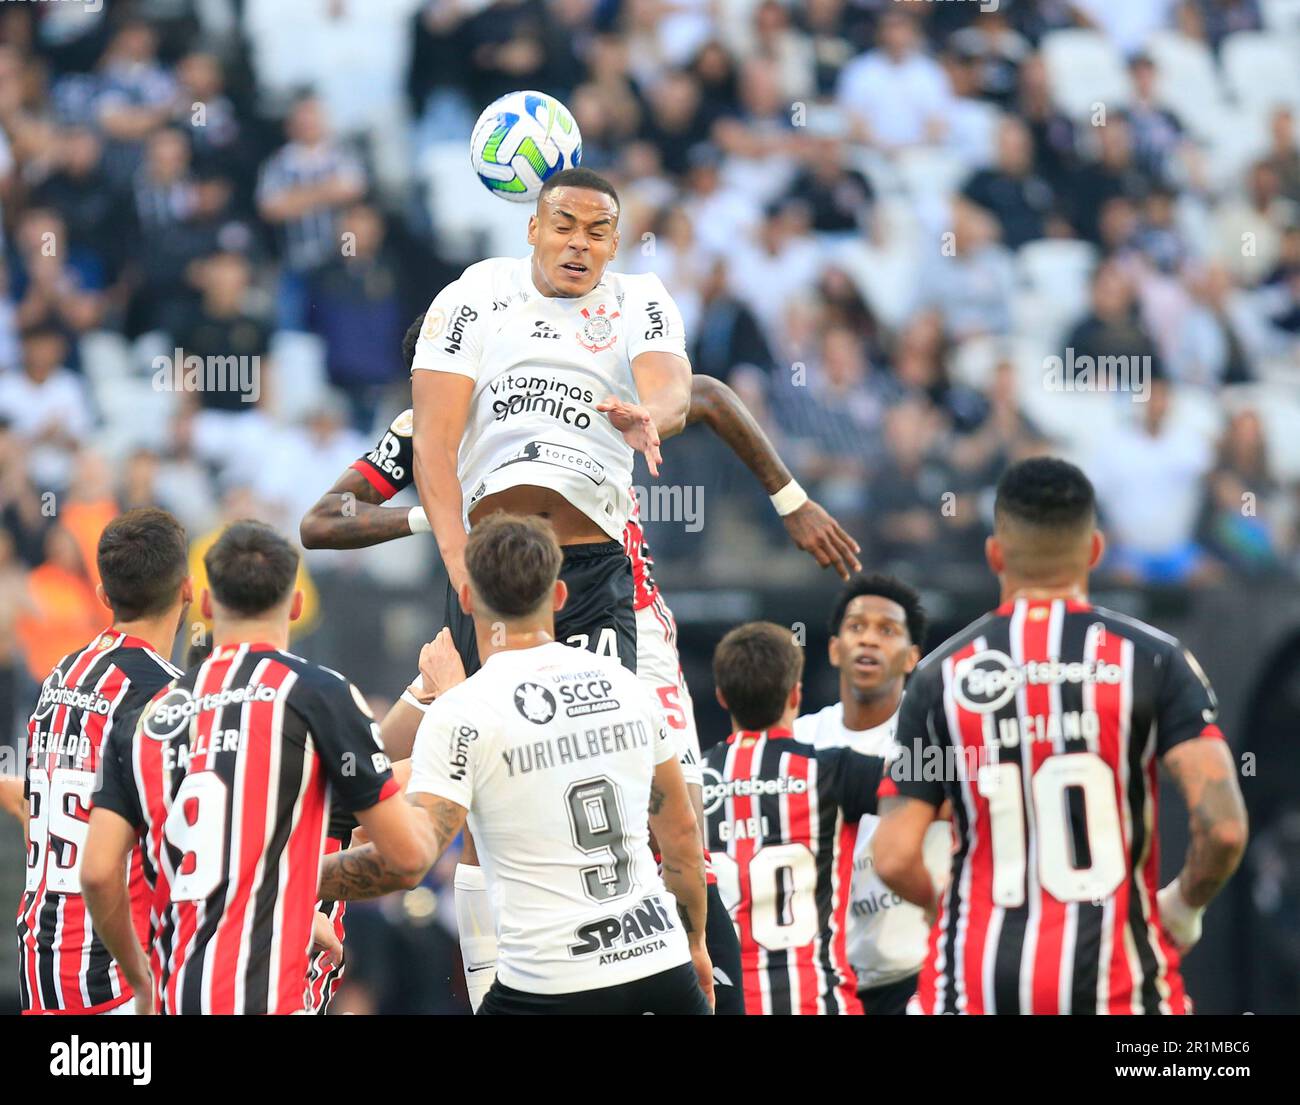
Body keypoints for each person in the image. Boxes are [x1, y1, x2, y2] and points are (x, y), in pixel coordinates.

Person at [874, 457, 1250, 1014]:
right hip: (1120, 989)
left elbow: (894, 855)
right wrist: (1181, 908)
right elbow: (1223, 830)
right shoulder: (1153, 659)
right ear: (1095, 550)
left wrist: (944, 910)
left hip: (973, 988)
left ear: (995, 554)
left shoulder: (939, 675)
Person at [317, 515, 713, 1015]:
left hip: (550, 982)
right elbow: (680, 832)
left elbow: (407, 861)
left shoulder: (464, 710)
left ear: (465, 599)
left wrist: (286, 878)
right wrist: (694, 943)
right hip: (659, 965)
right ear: (561, 596)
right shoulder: (629, 687)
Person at [81, 521, 435, 1014]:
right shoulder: (320, 695)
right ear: (294, 606)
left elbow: (98, 873)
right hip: (274, 999)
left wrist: (140, 979)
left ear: (205, 604)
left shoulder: (151, 715)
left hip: (172, 999)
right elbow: (409, 857)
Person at [16, 508, 190, 1014]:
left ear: (103, 597)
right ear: (186, 589)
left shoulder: (61, 676)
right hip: (115, 979)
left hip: (39, 967)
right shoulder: (168, 699)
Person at [706, 621, 883, 1015]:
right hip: (818, 1000)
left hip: (725, 1004)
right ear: (795, 695)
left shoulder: (689, 787)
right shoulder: (834, 771)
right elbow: (934, 792)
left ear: (721, 697)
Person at [794, 573, 950, 1015]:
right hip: (827, 981)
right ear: (834, 648)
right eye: (857, 627)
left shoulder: (936, 739)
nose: (869, 640)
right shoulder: (802, 736)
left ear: (911, 657)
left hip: (916, 976)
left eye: (888, 630)